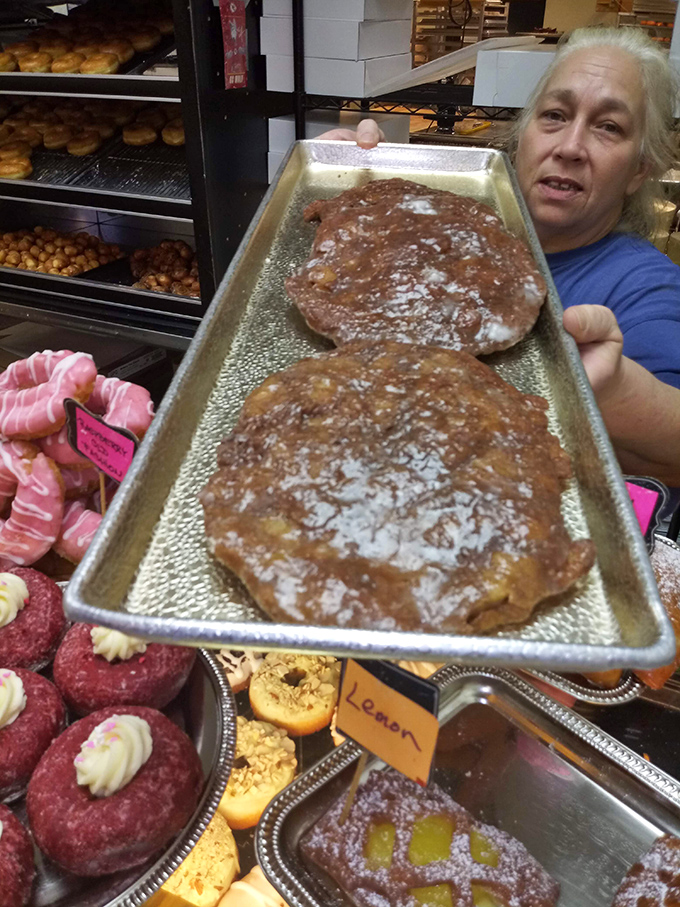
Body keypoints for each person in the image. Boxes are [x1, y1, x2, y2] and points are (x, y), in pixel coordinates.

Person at [317, 28, 680, 488]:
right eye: (554, 115)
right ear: (522, 135)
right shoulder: (471, 230)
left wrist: (616, 389)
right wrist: (352, 181)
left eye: (608, 126)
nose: (569, 147)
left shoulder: (642, 284)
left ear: (639, 171)